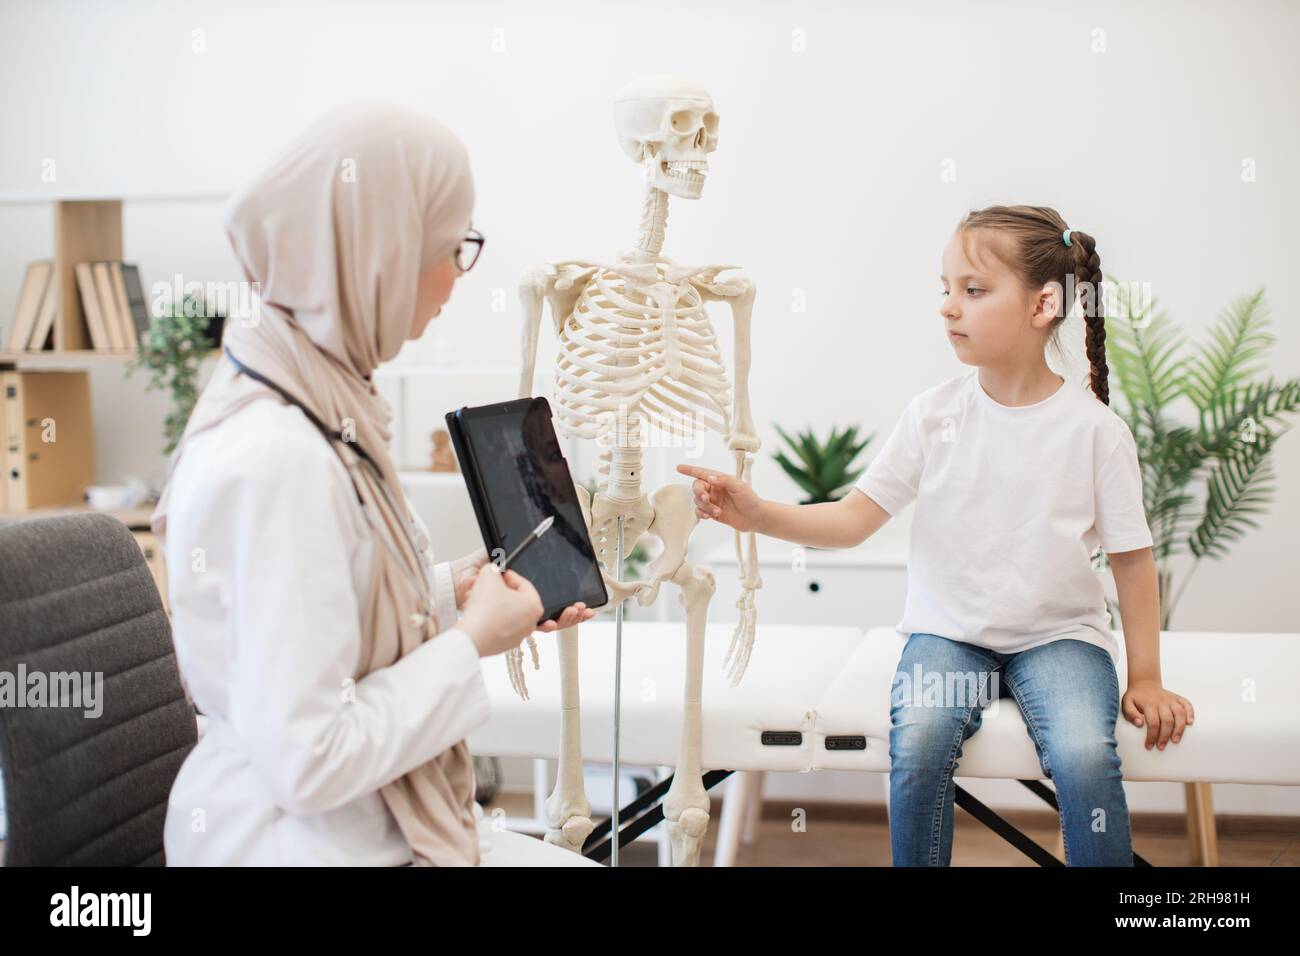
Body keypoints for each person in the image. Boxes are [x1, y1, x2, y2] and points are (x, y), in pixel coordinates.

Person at [151, 102, 599, 866]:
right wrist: (467, 644)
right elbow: (312, 756)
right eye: (451, 249)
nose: (456, 281)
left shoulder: (319, 399)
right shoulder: (276, 459)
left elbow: (322, 615)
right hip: (300, 842)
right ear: (378, 253)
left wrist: (447, 590)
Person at [679, 205, 1195, 866]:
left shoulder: (1094, 430)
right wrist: (758, 515)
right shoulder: (933, 415)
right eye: (945, 288)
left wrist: (1146, 676)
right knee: (920, 745)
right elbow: (855, 518)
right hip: (950, 636)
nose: (949, 307)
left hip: (1060, 637)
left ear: (1043, 305)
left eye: (973, 290)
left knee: (1083, 756)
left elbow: (1132, 558)